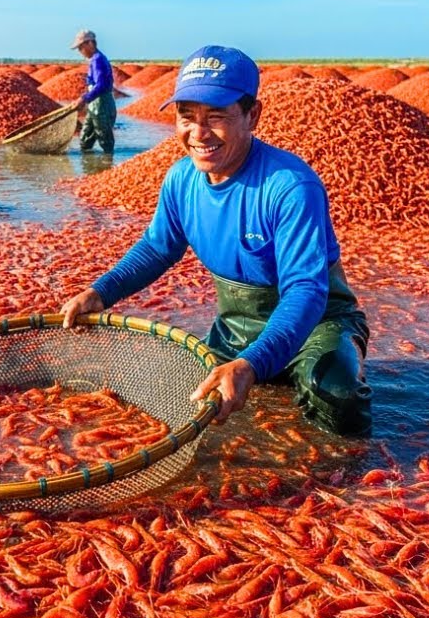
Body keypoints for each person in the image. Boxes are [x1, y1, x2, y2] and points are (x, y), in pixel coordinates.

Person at [60, 45, 372, 436]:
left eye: (216, 117)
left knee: (334, 393)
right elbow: (158, 247)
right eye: (186, 117)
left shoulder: (290, 186)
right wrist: (100, 292)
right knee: (173, 392)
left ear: (252, 116)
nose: (198, 133)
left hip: (318, 323)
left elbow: (305, 291)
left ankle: (349, 469)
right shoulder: (181, 179)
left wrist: (252, 364)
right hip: (237, 326)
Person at [71, 30, 116, 154]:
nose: (80, 51)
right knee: (85, 139)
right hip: (94, 105)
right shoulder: (95, 59)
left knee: (104, 139)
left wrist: (84, 98)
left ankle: (108, 166)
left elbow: (101, 85)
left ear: (90, 43)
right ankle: (88, 167)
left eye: (81, 47)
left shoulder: (98, 60)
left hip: (101, 105)